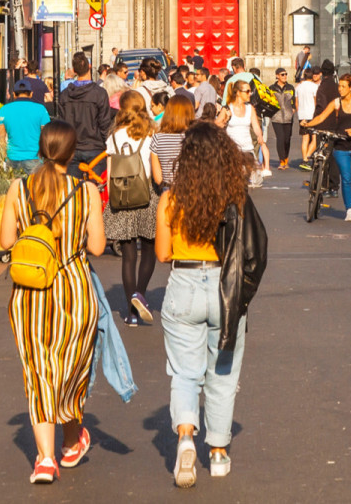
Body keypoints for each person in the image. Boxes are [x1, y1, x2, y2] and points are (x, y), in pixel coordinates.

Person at [157, 122, 264, 486]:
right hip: (225, 288)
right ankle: (218, 453)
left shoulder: (171, 199)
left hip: (184, 284)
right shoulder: (233, 197)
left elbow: (161, 253)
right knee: (222, 375)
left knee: (185, 373)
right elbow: (254, 249)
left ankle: (186, 436)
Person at [0, 121, 105, 485]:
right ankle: (72, 438)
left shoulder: (19, 188)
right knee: (71, 369)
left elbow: (4, 240)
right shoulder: (85, 191)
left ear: (41, 149)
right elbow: (96, 248)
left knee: (39, 372)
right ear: (72, 153)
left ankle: (45, 459)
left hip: (30, 293)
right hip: (73, 291)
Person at [104, 93, 164, 327]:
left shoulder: (114, 136)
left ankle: (130, 312)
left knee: (128, 256)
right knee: (148, 251)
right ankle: (140, 294)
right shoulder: (151, 133)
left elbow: (110, 171)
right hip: (147, 194)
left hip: (122, 195)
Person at [309, 72, 351, 219]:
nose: (340, 89)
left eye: (343, 86)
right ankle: (349, 209)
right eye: (339, 86)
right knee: (347, 178)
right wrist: (307, 124)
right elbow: (321, 116)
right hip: (341, 146)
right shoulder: (336, 103)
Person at [56, 53, 114, 175]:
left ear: (74, 70)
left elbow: (61, 122)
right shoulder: (99, 93)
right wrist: (108, 145)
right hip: (95, 148)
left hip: (72, 147)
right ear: (90, 67)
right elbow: (104, 123)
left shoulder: (65, 94)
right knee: (96, 190)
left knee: (74, 190)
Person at [0, 82, 53, 173]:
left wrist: (4, 158)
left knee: (14, 186)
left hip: (12, 157)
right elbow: (47, 135)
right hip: (35, 158)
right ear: (31, 93)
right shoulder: (41, 109)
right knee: (33, 187)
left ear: (14, 94)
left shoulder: (4, 110)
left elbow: (0, 138)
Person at [221, 79, 267, 185]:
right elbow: (217, 124)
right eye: (247, 91)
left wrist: (260, 137)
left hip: (247, 150)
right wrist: (225, 120)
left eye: (250, 91)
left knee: (251, 180)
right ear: (238, 93)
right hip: (233, 150)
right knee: (236, 179)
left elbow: (255, 125)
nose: (250, 93)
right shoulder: (228, 108)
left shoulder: (250, 108)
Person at [150, 95, 193, 179]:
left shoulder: (158, 138)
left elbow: (157, 177)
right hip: (190, 188)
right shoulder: (194, 137)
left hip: (167, 188)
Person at [267, 68, 296, 171]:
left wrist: (293, 109)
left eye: (285, 74)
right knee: (280, 138)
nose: (285, 76)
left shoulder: (290, 87)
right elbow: (269, 101)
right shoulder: (272, 88)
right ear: (277, 76)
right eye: (282, 74)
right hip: (277, 117)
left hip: (288, 117)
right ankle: (281, 161)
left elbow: (293, 100)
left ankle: (286, 159)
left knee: (287, 139)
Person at [295, 65, 322, 161]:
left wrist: (299, 113)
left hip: (302, 115)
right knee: (314, 139)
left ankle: (304, 159)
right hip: (312, 114)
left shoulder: (298, 87)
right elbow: (316, 102)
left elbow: (296, 102)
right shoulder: (315, 87)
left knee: (305, 139)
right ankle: (307, 157)